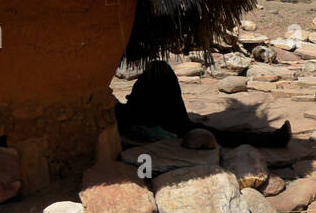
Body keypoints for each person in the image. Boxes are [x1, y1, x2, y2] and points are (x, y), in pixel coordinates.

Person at [115, 60, 291, 147]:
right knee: (216, 135)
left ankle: (271, 139)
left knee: (159, 70)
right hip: (148, 117)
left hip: (146, 112)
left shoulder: (128, 111)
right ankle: (273, 140)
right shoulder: (134, 118)